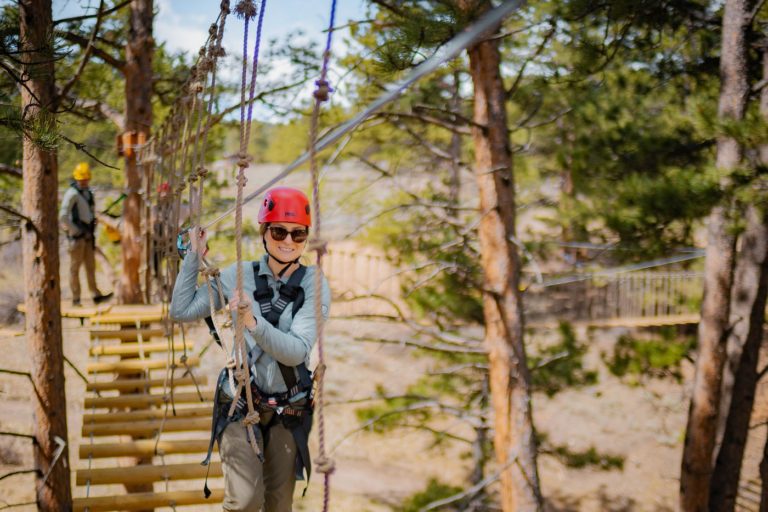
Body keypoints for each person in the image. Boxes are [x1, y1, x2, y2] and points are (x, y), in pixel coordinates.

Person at [169, 186, 330, 512]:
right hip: (240, 402)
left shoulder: (314, 284)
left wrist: (252, 321)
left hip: (289, 408)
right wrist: (192, 258)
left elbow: (297, 351)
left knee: (278, 506)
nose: (288, 241)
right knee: (244, 502)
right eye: (279, 231)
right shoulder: (238, 275)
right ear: (264, 233)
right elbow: (182, 310)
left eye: (298, 234)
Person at [59, 162, 113, 307]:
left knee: (90, 266)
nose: (84, 181)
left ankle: (95, 295)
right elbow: (63, 215)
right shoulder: (71, 194)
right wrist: (74, 230)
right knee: (75, 268)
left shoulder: (88, 193)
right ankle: (76, 299)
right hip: (77, 238)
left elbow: (89, 212)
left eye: (86, 179)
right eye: (82, 179)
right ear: (77, 178)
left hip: (88, 236)